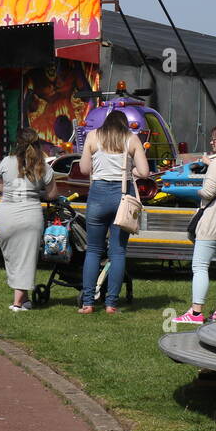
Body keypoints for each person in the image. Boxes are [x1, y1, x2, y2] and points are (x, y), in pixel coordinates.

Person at [77, 109, 149, 313]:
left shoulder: (93, 136)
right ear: (124, 125)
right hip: (122, 196)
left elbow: (84, 169)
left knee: (93, 250)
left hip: (98, 194)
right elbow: (144, 172)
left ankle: (89, 302)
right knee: (117, 252)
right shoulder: (132, 139)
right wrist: (131, 170)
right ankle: (111, 303)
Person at [0, 128, 59, 311]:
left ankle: (22, 300)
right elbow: (52, 194)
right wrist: (36, 191)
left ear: (18, 144)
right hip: (30, 214)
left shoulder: (6, 162)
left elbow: (1, 188)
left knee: (12, 257)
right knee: (26, 258)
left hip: (7, 213)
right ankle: (18, 303)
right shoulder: (43, 165)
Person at [173, 126, 216, 323]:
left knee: (200, 265)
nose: (211, 142)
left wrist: (196, 191)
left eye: (214, 139)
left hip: (212, 220)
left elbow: (208, 192)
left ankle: (195, 313)